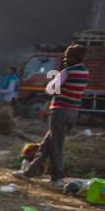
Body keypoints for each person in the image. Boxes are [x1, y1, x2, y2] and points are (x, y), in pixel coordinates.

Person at [18, 43, 89, 184]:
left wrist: (49, 84)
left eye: (67, 56)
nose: (64, 59)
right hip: (73, 112)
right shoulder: (85, 72)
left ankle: (58, 177)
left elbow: (51, 90)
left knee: (56, 146)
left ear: (72, 58)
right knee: (47, 144)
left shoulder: (67, 72)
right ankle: (28, 173)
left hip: (60, 111)